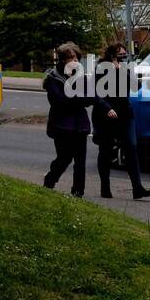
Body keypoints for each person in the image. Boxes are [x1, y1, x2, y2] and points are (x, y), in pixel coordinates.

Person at [91, 42, 150, 200]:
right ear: (112, 56)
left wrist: (123, 71)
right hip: (106, 115)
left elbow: (136, 86)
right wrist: (107, 108)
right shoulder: (101, 69)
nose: (124, 58)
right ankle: (105, 187)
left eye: (125, 56)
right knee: (106, 150)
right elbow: (96, 94)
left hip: (125, 114)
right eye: (121, 55)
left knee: (131, 147)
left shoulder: (124, 69)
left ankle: (137, 188)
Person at [42, 42, 92, 197]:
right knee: (64, 158)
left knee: (80, 162)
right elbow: (61, 101)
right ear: (63, 60)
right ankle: (50, 179)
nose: (75, 61)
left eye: (76, 58)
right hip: (62, 126)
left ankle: (78, 192)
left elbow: (89, 98)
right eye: (71, 58)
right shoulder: (53, 79)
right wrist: (78, 97)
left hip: (80, 125)